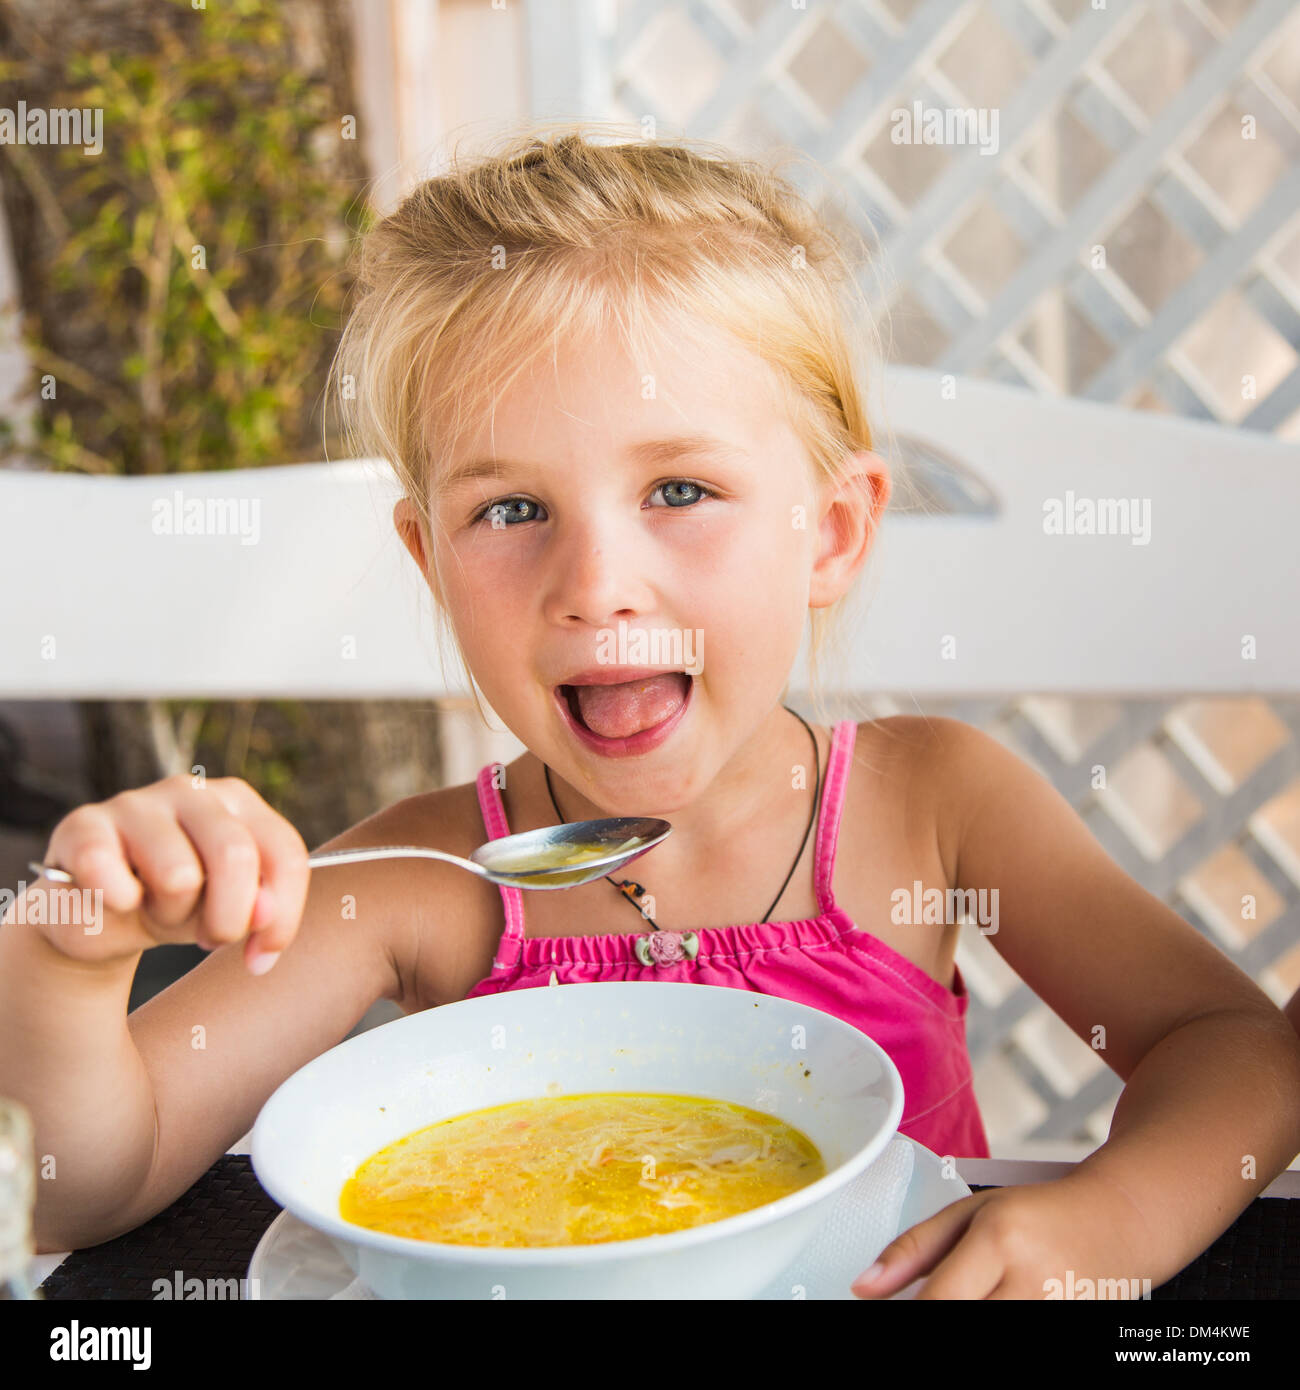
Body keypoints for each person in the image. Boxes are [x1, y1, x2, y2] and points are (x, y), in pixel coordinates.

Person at [4, 127, 1299, 1300]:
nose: (597, 585)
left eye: (679, 489)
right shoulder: (422, 880)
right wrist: (69, 955)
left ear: (831, 532)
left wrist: (1108, 1224)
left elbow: (1234, 1045)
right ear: (428, 557)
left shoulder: (934, 807)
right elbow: (79, 1181)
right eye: (511, 510)